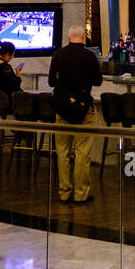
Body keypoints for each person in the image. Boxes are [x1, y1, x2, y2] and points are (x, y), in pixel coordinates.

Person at [48, 25, 102, 204]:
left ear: (69, 37)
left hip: (62, 109)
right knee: (82, 153)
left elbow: (51, 82)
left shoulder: (58, 55)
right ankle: (80, 194)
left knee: (62, 152)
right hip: (83, 109)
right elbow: (97, 81)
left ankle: (64, 192)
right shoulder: (89, 56)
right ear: (84, 37)